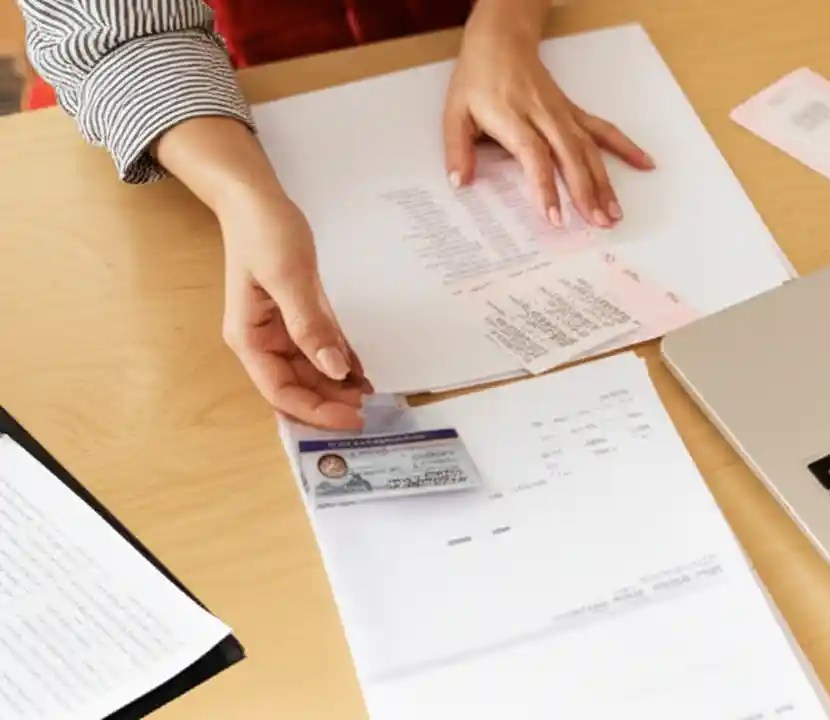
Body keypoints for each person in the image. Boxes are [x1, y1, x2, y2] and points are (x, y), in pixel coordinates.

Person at [18, 0, 653, 430]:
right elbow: (121, 35)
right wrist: (242, 193)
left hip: (464, 41)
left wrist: (506, 28)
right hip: (189, 120)